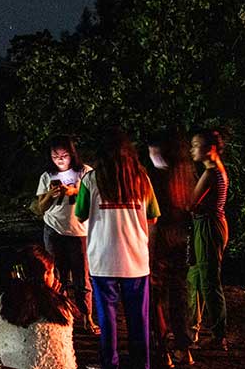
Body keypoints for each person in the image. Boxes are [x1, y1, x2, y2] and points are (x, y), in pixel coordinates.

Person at [75, 128, 160, 369]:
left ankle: (109, 363)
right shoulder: (142, 179)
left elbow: (80, 215)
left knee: (107, 318)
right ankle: (141, 363)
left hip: (103, 260)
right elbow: (153, 216)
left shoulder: (91, 180)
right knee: (138, 319)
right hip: (135, 260)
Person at [32, 134, 98, 334]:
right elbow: (39, 207)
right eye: (55, 156)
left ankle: (87, 317)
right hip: (53, 230)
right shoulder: (47, 176)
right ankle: (59, 315)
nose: (60, 159)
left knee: (81, 276)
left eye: (64, 155)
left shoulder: (85, 172)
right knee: (56, 275)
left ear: (72, 154)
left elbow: (94, 193)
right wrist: (50, 196)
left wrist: (73, 191)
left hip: (79, 231)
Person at [0, 245, 77, 369]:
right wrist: (56, 296)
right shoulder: (61, 305)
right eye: (52, 272)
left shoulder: (7, 300)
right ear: (45, 275)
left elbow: (5, 339)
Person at [147, 130, 195, 367]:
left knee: (155, 295)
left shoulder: (157, 178)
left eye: (152, 151)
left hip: (160, 240)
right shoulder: (185, 173)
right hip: (181, 238)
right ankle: (184, 348)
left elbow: (152, 217)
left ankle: (162, 349)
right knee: (179, 293)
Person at [187, 129, 229, 351]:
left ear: (210, 149)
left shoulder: (211, 173)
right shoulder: (215, 171)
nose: (192, 150)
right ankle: (193, 329)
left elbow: (190, 204)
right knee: (195, 277)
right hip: (210, 224)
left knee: (209, 282)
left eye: (196, 145)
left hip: (208, 227)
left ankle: (218, 335)